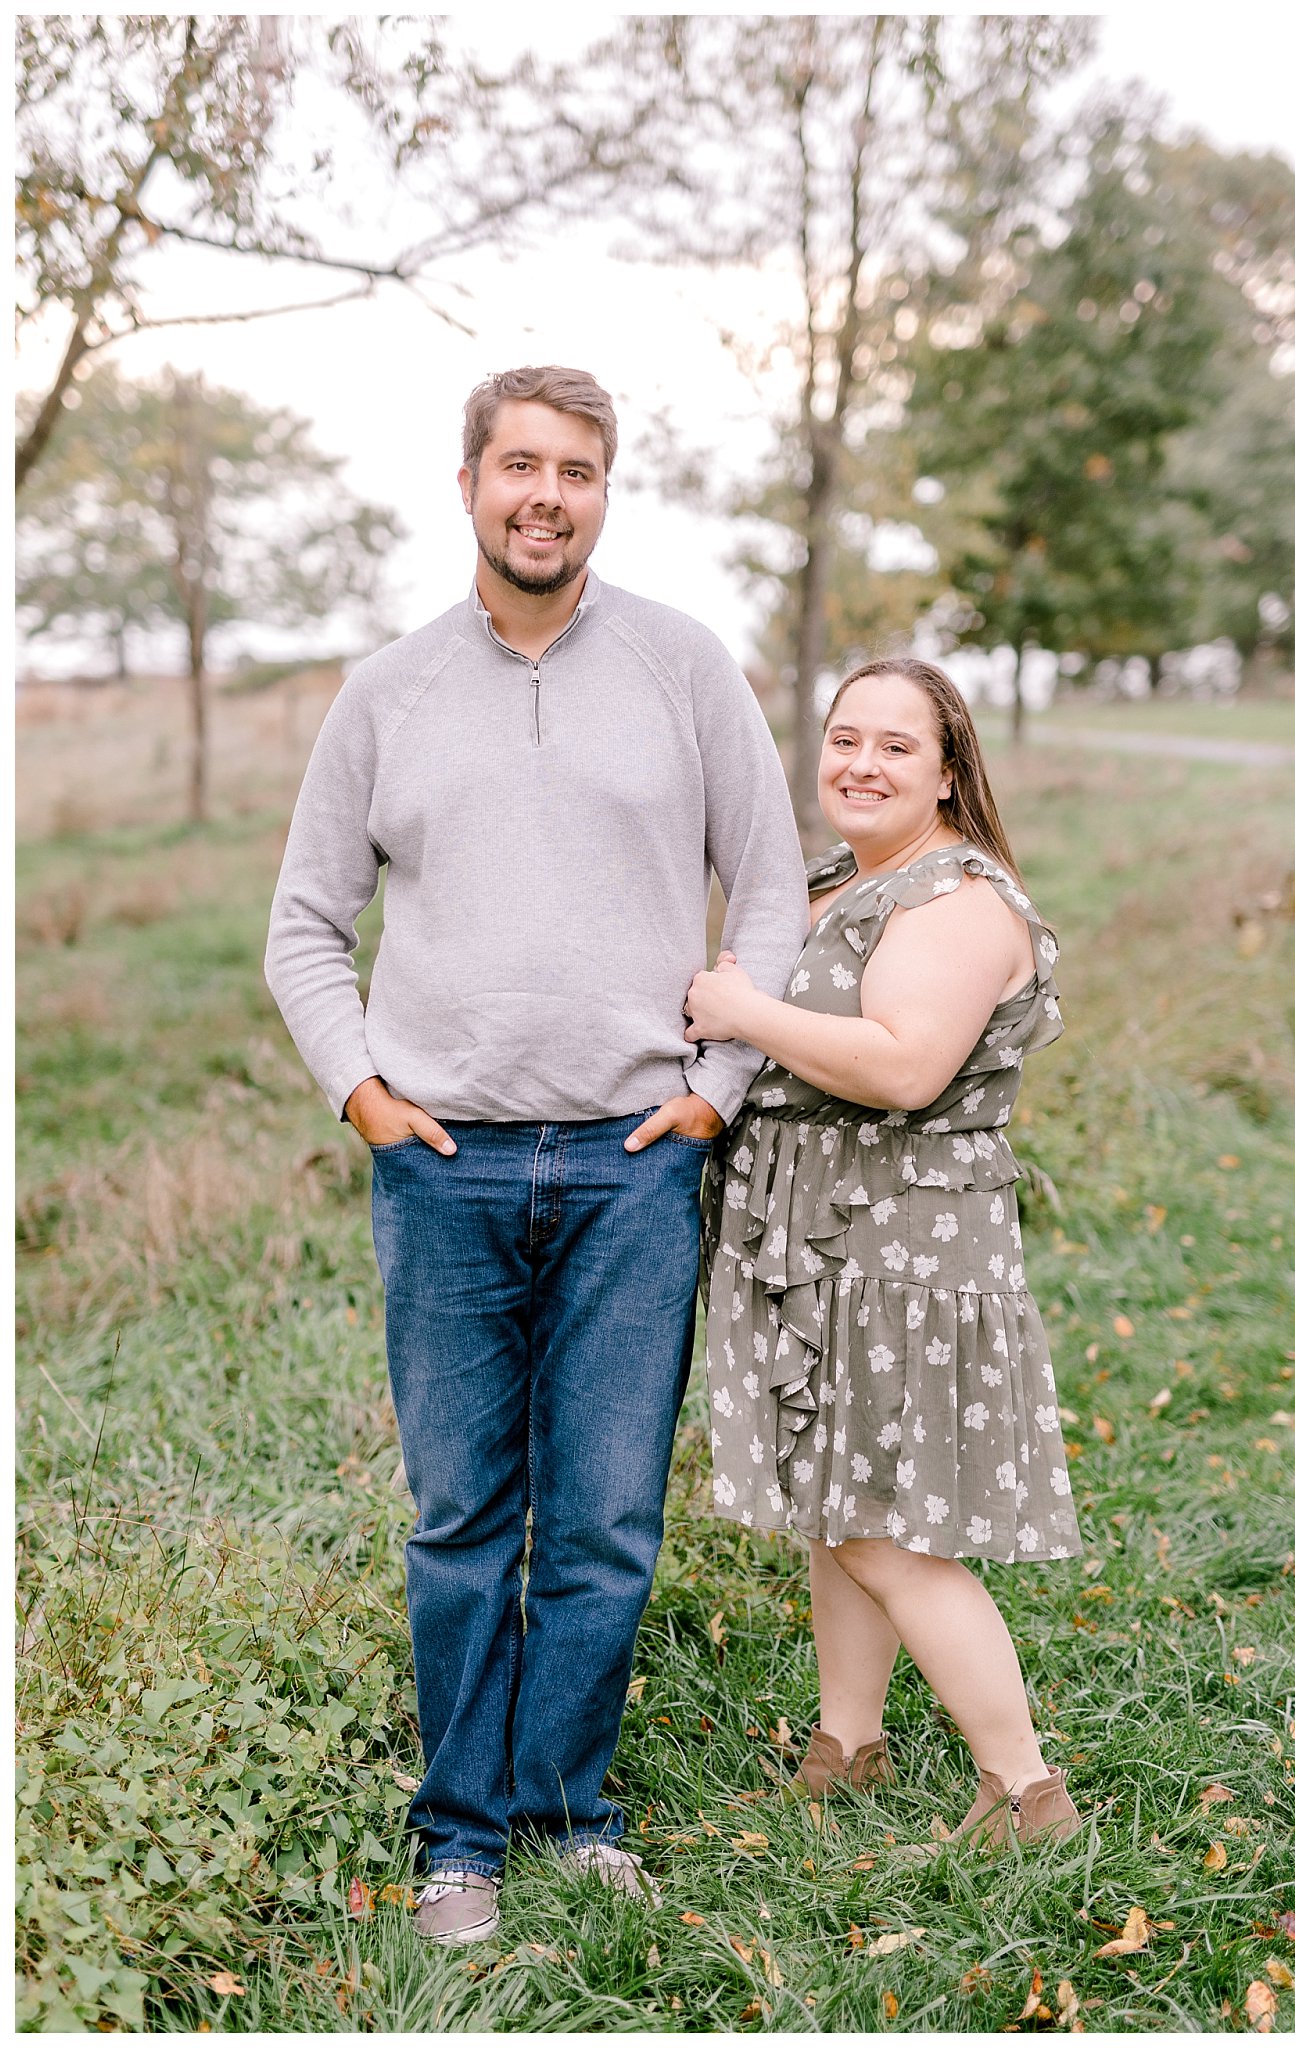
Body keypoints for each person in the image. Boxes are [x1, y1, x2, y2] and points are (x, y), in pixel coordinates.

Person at [265, 365, 807, 1943]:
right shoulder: (387, 692)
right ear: (469, 483)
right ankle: (458, 1839)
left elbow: (765, 890)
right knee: (457, 1520)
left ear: (602, 491)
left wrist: (713, 1083)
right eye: (519, 465)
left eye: (574, 470)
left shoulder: (682, 666)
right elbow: (305, 926)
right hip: (444, 1166)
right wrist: (361, 1091)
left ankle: (569, 1810)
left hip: (638, 1160)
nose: (544, 495)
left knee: (602, 1520)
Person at [685, 655, 1083, 1849]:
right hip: (822, 1239)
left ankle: (1025, 1790)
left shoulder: (953, 899)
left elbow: (905, 1065)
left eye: (896, 745)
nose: (860, 762)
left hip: (897, 1245)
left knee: (884, 1525)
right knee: (836, 1499)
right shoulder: (839, 880)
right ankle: (845, 1744)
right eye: (845, 738)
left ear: (949, 768)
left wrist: (740, 1012)